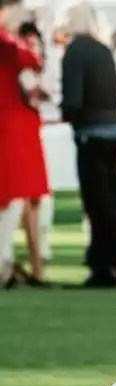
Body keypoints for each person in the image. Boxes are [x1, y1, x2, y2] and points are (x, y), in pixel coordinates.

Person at [58, 1, 116, 288]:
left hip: (92, 133)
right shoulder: (102, 49)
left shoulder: (75, 52)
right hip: (114, 130)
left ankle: (102, 268)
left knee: (96, 202)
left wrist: (64, 112)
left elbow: (73, 100)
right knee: (113, 201)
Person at [0, 0, 51, 288]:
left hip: (11, 126)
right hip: (13, 128)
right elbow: (30, 72)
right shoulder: (10, 44)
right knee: (15, 199)